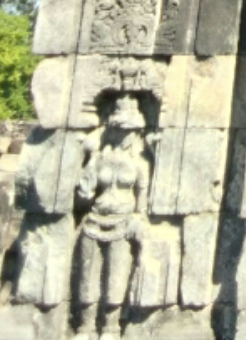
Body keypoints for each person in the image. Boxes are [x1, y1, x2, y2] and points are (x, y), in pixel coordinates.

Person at [72, 94, 151, 338]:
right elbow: (85, 194)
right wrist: (89, 159)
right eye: (122, 129)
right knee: (88, 277)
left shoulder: (140, 165)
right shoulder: (99, 159)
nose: (127, 135)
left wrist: (139, 223)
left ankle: (110, 326)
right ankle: (85, 325)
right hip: (95, 219)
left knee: (116, 278)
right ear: (112, 129)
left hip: (123, 221)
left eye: (132, 130)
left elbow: (142, 204)